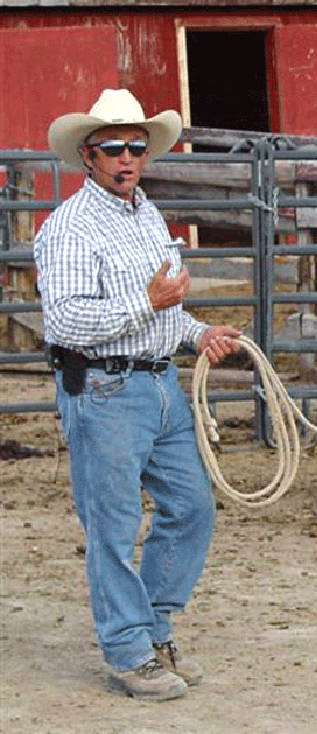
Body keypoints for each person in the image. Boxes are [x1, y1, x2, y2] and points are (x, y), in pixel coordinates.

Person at [34, 88, 241, 701]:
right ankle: (127, 649)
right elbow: (65, 322)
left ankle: (152, 629)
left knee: (191, 508)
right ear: (88, 155)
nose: (127, 158)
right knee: (113, 525)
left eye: (135, 147)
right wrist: (147, 302)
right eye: (113, 148)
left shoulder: (145, 214)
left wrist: (198, 331)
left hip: (156, 383)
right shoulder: (70, 227)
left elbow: (165, 310)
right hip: (103, 387)